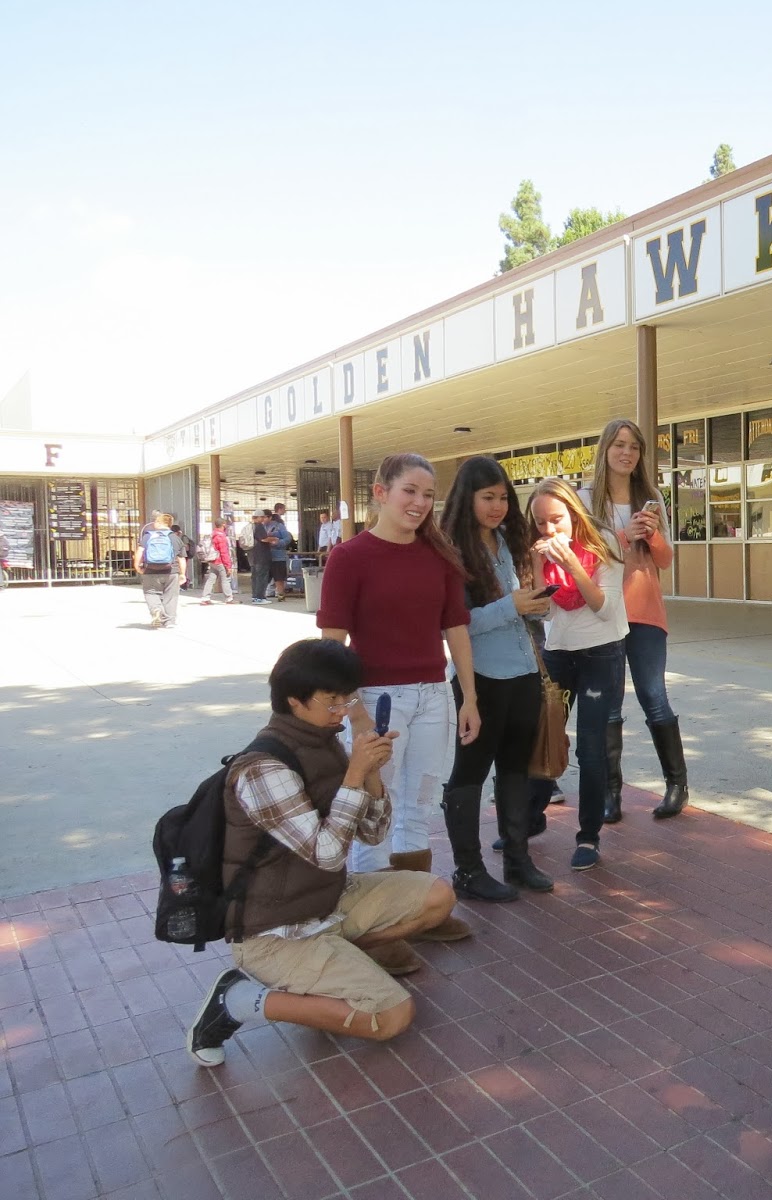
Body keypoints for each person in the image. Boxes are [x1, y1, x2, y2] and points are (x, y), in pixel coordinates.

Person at [185, 638, 462, 1068]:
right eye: (332, 700)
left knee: (436, 897)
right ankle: (236, 999)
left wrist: (371, 776)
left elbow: (374, 833)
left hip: (326, 903)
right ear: (294, 701)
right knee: (390, 1016)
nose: (343, 710)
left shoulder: (326, 741)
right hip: (274, 931)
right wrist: (354, 774)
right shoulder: (263, 768)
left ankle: (334, 968)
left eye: (348, 698)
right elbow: (329, 853)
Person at [318, 452, 479, 972]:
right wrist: (356, 714)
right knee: (374, 812)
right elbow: (331, 646)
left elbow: (456, 629)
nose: (420, 503)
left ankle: (416, 914)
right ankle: (374, 928)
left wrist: (469, 697)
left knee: (419, 804)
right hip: (379, 701)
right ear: (381, 493)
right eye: (410, 491)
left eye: (429, 495)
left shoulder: (440, 556)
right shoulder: (350, 557)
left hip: (435, 693)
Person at [438, 456, 557, 900]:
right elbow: (456, 624)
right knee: (469, 772)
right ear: (466, 499)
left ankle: (517, 860)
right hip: (480, 678)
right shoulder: (451, 550)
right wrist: (514, 607)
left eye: (504, 497)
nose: (497, 506)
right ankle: (467, 871)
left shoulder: (509, 541)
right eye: (488, 497)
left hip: (525, 669)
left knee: (515, 770)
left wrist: (535, 604)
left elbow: (515, 604)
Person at [579, 418, 689, 822]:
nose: (627, 453)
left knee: (653, 695)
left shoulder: (651, 496)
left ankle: (677, 786)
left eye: (635, 447)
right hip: (603, 611)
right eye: (619, 445)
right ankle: (612, 794)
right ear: (605, 449)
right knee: (608, 705)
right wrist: (625, 536)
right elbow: (584, 557)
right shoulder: (585, 498)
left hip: (645, 612)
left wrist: (652, 534)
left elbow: (664, 560)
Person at [527, 477, 627, 871]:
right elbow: (543, 608)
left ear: (574, 513)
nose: (549, 530)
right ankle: (530, 820)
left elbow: (603, 606)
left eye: (556, 520)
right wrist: (539, 563)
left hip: (602, 652)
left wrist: (569, 562)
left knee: (590, 747)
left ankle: (588, 837)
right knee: (542, 735)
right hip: (559, 651)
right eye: (540, 523)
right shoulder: (541, 550)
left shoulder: (605, 544)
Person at [135, 512, 183, 629]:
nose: (154, 523)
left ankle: (156, 609)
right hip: (171, 571)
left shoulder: (148, 536)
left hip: (150, 570)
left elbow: (140, 551)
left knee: (150, 592)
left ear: (160, 523)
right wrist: (182, 573)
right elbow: (181, 558)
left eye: (156, 521)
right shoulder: (174, 537)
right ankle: (169, 621)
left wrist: (137, 566)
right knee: (171, 596)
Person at [198, 519, 237, 604]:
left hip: (212, 560)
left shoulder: (213, 534)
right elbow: (224, 552)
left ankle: (205, 598)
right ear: (223, 525)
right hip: (220, 561)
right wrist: (228, 566)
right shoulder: (221, 536)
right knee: (225, 579)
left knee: (211, 579)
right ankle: (229, 598)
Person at [266, 507, 292, 601]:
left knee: (279, 577)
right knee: (264, 577)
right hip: (264, 556)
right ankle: (260, 596)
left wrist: (278, 543)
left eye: (264, 517)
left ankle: (281, 595)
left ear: (269, 517)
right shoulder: (259, 527)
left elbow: (288, 538)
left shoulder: (279, 526)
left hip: (278, 556)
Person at [250, 511, 275, 604]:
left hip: (254, 555)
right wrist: (273, 539)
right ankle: (260, 597)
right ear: (258, 517)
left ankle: (255, 596)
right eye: (262, 517)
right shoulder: (259, 526)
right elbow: (263, 539)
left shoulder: (251, 526)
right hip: (262, 556)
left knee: (255, 577)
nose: (264, 519)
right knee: (262, 577)